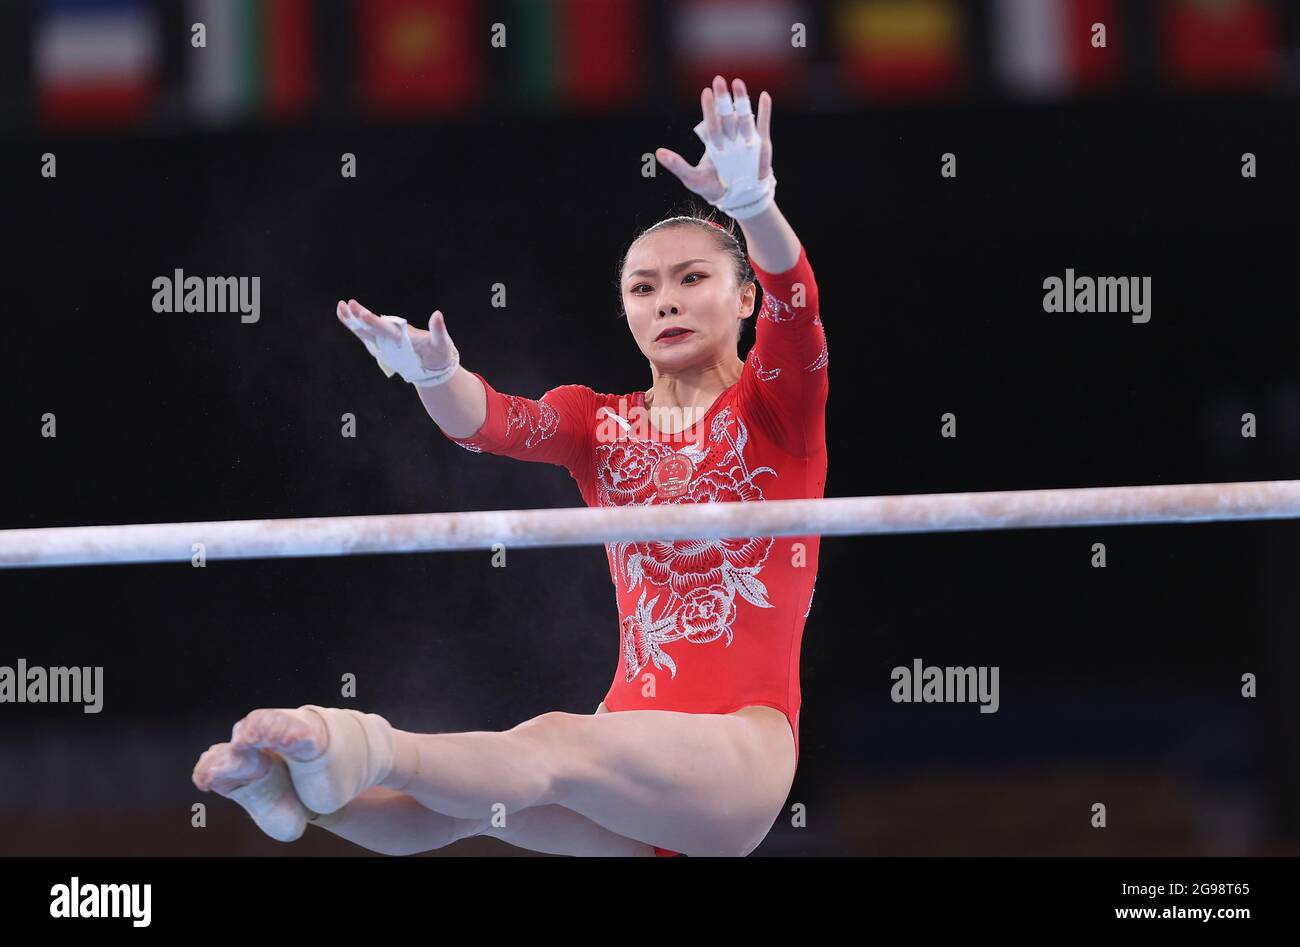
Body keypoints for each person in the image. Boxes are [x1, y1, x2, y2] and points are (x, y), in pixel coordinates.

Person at [191, 75, 827, 857]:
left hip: (740, 750)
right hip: (621, 736)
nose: (666, 300)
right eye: (643, 286)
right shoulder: (599, 422)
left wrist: (755, 202)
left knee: (547, 744)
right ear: (625, 308)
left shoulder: (775, 406)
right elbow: (490, 422)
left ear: (743, 301)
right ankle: (287, 793)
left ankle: (361, 738)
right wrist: (433, 377)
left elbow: (798, 300)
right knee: (462, 805)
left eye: (693, 279)